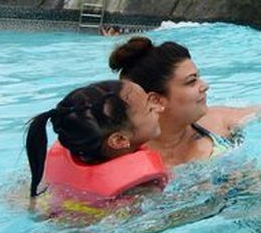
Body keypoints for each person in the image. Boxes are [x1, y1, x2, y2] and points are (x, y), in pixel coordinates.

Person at [108, 37, 261, 167]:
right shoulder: (126, 156)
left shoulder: (218, 121)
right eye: (191, 81)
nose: (205, 85)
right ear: (157, 101)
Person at [24, 80, 167, 218]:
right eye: (150, 109)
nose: (159, 107)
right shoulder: (142, 191)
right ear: (119, 140)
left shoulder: (66, 161)